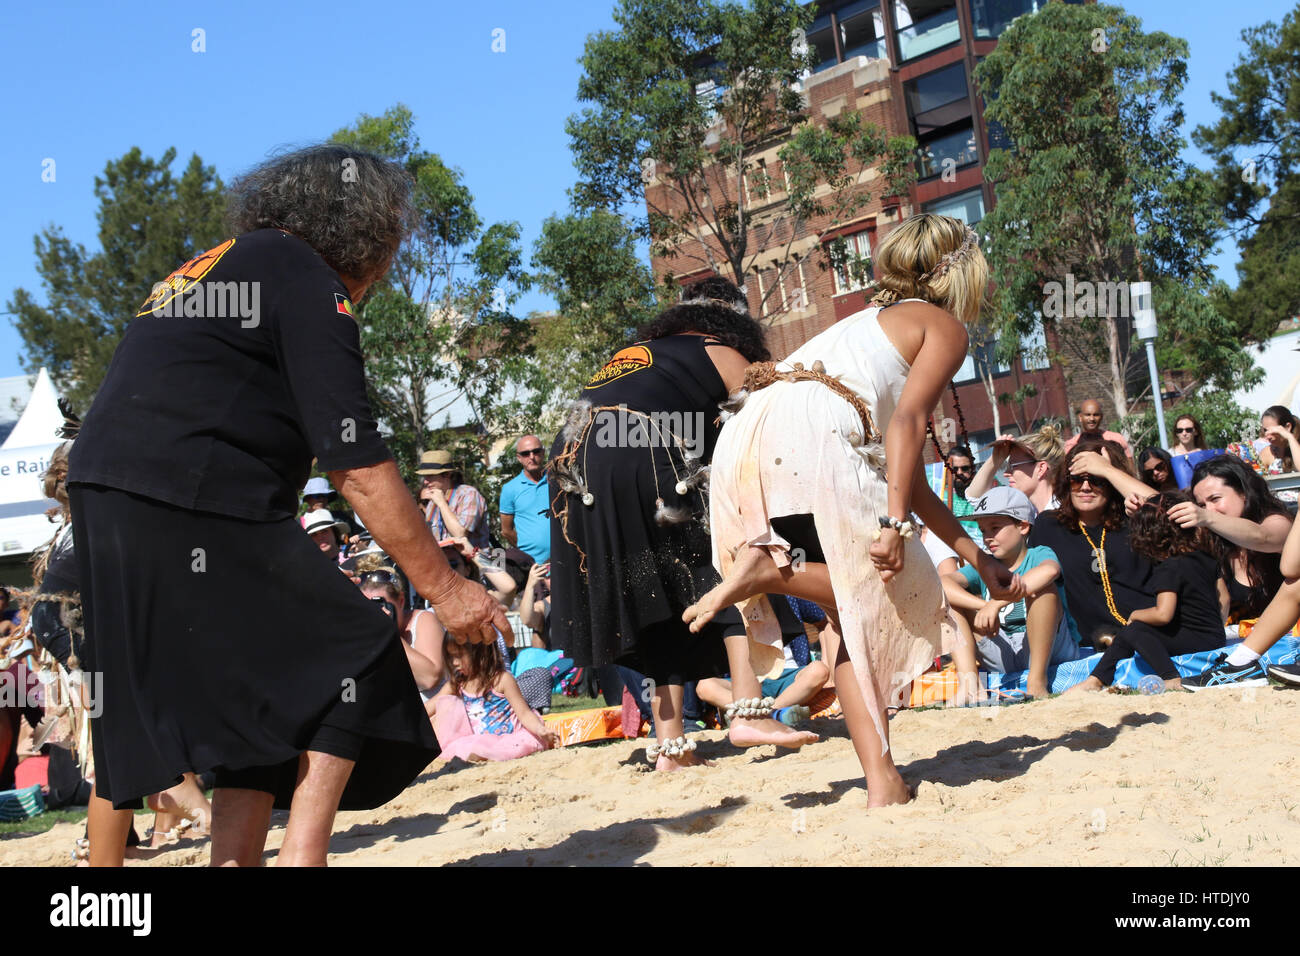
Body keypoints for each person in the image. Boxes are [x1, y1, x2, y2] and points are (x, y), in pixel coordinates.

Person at [66, 145, 508, 868]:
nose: (394, 257)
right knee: (361, 653)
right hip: (186, 488)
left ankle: (236, 860)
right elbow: (356, 462)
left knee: (264, 693)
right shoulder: (302, 273)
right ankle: (304, 859)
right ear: (362, 227)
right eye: (393, 234)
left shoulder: (216, 264)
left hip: (114, 491)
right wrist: (448, 589)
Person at [685, 214, 1023, 807]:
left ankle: (882, 781)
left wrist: (975, 556)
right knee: (893, 587)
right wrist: (893, 528)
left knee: (848, 613)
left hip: (750, 433)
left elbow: (911, 476)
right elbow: (909, 424)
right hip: (816, 436)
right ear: (959, 273)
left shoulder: (859, 326)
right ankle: (775, 572)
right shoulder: (942, 325)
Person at [549, 276, 784, 771]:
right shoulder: (722, 350)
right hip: (642, 445)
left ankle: (672, 745)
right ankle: (750, 709)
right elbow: (767, 432)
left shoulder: (639, 352)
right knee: (732, 564)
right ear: (734, 320)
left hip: (571, 463)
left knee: (650, 594)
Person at [1067, 492, 1226, 693]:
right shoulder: (1205, 557)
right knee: (1127, 635)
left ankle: (1169, 678)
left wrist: (1135, 615)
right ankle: (1096, 680)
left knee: (1135, 630)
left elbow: (1163, 614)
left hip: (1197, 640)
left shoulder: (1169, 566)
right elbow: (1224, 598)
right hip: (1216, 636)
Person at [941, 487, 1081, 698]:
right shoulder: (985, 564)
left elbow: (1050, 571)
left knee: (1044, 592)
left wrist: (996, 603)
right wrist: (981, 606)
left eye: (995, 527)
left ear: (1023, 527)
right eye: (983, 530)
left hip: (1047, 650)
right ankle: (969, 684)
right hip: (1001, 647)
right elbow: (943, 583)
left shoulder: (1039, 553)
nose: (987, 537)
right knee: (949, 604)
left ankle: (1036, 682)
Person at [1027, 438, 1155, 650]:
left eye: (1097, 479)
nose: (1086, 487)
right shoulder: (1049, 525)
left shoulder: (1134, 518)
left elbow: (1169, 511)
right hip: (1084, 648)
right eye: (1077, 479)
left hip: (1147, 637)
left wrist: (1109, 470)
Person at [431, 637, 559, 762]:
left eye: (459, 656)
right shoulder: (456, 685)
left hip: (508, 739)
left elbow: (524, 714)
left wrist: (539, 729)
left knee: (515, 747)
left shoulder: (501, 680)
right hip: (474, 741)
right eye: (451, 657)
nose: (454, 662)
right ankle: (480, 755)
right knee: (462, 746)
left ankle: (486, 756)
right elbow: (431, 707)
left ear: (480, 652)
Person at [966, 424, 1066, 513]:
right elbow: (975, 497)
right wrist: (995, 460)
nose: (1006, 473)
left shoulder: (1065, 514)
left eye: (1013, 466)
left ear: (1040, 469)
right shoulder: (1023, 509)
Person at [417, 450, 490, 551]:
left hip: (473, 562)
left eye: (430, 476)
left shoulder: (468, 494)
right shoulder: (432, 503)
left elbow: (460, 534)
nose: (425, 481)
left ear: (447, 474)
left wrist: (442, 504)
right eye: (424, 476)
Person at [499, 435, 550, 565]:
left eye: (536, 451)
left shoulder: (557, 481)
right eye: (525, 453)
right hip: (533, 567)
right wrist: (527, 554)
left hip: (564, 559)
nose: (531, 457)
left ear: (543, 453)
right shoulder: (510, 489)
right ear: (519, 458)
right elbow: (506, 531)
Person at [1063, 398, 1132, 459]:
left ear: (1101, 417)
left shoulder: (1116, 439)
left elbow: (1129, 468)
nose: (1092, 419)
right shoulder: (1071, 445)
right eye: (1088, 415)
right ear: (1080, 417)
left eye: (1096, 415)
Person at [1257, 405, 1299, 476]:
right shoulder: (1267, 452)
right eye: (1265, 430)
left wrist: (1290, 437)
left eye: (1272, 430)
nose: (1268, 435)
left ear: (1287, 427)